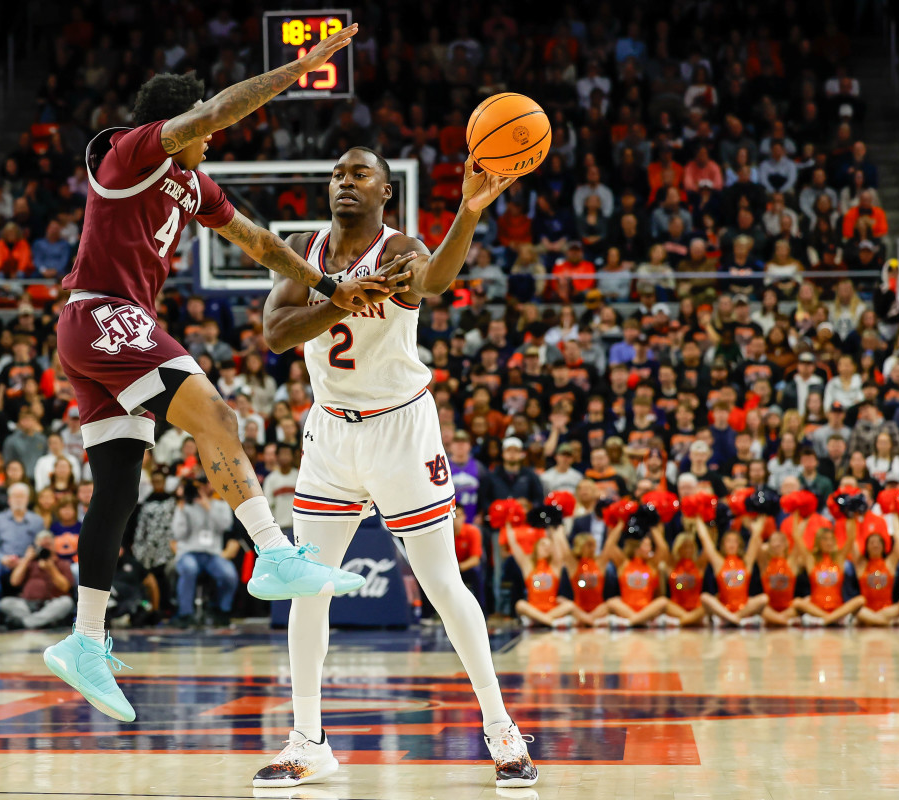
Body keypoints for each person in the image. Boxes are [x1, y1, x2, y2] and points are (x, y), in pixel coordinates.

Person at [44, 26, 384, 723]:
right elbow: (213, 115)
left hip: (94, 336)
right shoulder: (130, 151)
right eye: (202, 129)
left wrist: (327, 285)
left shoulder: (193, 183)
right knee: (218, 418)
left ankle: (83, 640)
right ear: (175, 122)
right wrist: (296, 71)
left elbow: (257, 241)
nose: (213, 142)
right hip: (105, 314)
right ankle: (272, 550)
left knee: (117, 489)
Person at [256, 146, 535, 789]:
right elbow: (276, 332)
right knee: (307, 585)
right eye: (337, 173)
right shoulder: (305, 246)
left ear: (386, 193)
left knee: (441, 584)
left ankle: (500, 730)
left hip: (401, 429)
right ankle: (307, 740)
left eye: (360, 175)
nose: (344, 182)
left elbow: (436, 281)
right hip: (329, 432)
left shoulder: (400, 249)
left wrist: (467, 210)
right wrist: (340, 300)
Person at [171, 476, 238, 627]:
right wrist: (182, 511)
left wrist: (208, 507)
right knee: (189, 568)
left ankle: (222, 610)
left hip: (212, 554)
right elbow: (179, 534)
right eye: (197, 487)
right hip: (189, 552)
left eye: (203, 485)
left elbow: (225, 526)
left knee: (229, 574)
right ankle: (185, 613)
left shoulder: (220, 505)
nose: (200, 489)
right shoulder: (185, 505)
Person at [506, 506, 581, 628]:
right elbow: (514, 545)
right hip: (533, 609)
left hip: (551, 609)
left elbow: (557, 545)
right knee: (520, 604)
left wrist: (555, 524)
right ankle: (550, 621)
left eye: (549, 545)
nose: (546, 547)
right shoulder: (529, 566)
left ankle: (542, 620)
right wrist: (508, 526)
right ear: (536, 547)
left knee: (569, 605)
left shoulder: (554, 567)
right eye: (543, 544)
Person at [696, 517, 768, 626]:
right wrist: (697, 516)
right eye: (728, 541)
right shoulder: (719, 563)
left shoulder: (746, 562)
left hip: (744, 607)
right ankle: (735, 619)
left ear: (739, 544)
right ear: (723, 544)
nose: (732, 544)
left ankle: (732, 618)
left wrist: (762, 514)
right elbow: (705, 539)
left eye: (735, 541)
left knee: (764, 598)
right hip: (723, 607)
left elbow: (755, 538)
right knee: (704, 597)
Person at [1, 531, 76, 629]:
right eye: (42, 546)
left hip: (50, 604)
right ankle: (39, 622)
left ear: (54, 546)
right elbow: (14, 581)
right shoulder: (30, 562)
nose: (45, 548)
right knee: (6, 602)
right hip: (26, 605)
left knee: (66, 602)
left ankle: (26, 623)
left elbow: (65, 587)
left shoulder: (62, 563)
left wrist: (51, 569)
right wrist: (26, 559)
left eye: (48, 545)